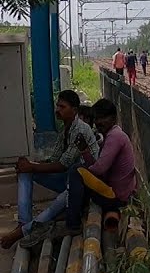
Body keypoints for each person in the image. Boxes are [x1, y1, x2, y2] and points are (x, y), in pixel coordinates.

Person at [1, 91, 99, 248]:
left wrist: (32, 165)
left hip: (84, 184)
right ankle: (23, 222)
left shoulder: (81, 130)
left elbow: (63, 165)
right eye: (57, 106)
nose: (57, 110)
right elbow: (54, 160)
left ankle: (22, 232)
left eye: (62, 106)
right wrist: (30, 164)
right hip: (69, 178)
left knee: (57, 203)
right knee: (25, 172)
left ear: (74, 110)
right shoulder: (66, 129)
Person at [35, 99, 136, 243]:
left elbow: (100, 169)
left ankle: (73, 224)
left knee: (76, 171)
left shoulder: (115, 137)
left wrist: (84, 172)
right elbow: (97, 167)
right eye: (96, 119)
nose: (98, 122)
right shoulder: (111, 135)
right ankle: (71, 213)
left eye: (102, 118)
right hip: (114, 191)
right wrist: (84, 151)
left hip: (117, 196)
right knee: (79, 172)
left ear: (113, 118)